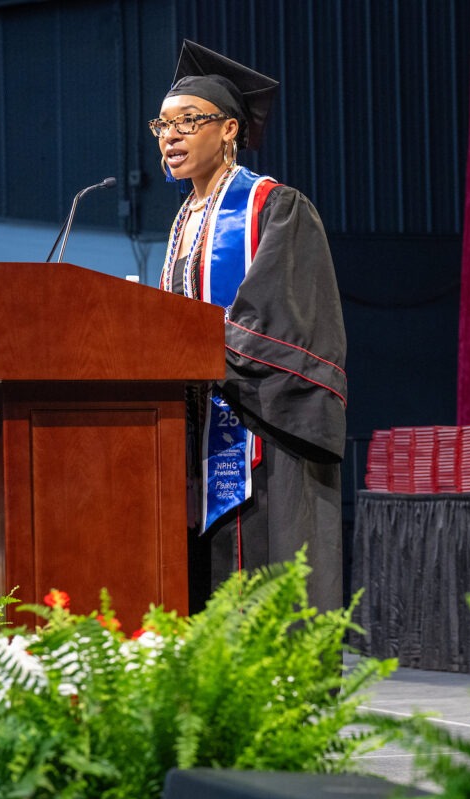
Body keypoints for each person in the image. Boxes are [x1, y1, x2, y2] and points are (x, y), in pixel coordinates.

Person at [153, 40, 347, 612]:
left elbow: (286, 324)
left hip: (264, 427)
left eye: (188, 121)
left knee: (269, 589)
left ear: (230, 128)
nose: (171, 137)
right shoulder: (181, 223)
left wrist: (195, 349)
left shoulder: (272, 206)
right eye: (162, 125)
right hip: (194, 434)